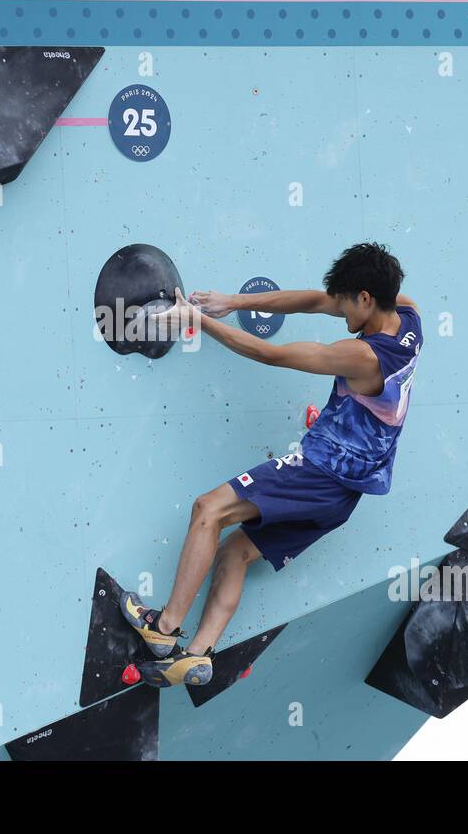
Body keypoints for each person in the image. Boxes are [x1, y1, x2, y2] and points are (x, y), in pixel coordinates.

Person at [123, 242, 422, 687]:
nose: (338, 314)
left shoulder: (362, 356)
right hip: (346, 493)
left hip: (320, 472)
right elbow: (313, 300)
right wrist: (233, 301)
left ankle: (163, 631)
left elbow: (273, 355)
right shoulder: (408, 313)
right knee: (236, 553)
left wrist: (199, 321)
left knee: (209, 509)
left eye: (344, 306)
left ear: (364, 298)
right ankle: (197, 656)